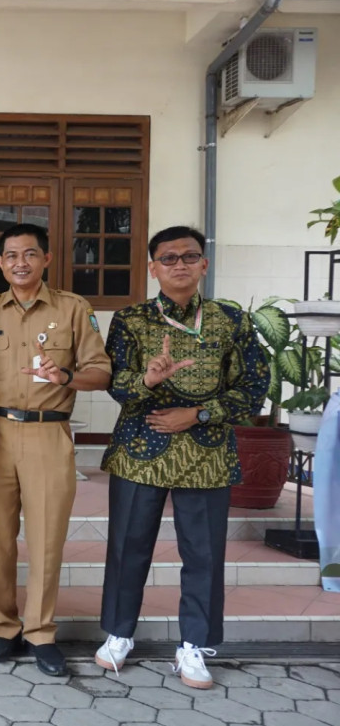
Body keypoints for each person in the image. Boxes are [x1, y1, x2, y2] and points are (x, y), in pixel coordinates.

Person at [97, 226, 269, 689]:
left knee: (204, 554)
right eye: (168, 258)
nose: (179, 265)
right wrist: (149, 381)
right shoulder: (131, 321)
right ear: (152, 268)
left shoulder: (231, 320)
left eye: (189, 257)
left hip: (206, 453)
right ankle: (119, 633)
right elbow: (116, 385)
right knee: (128, 547)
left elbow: (254, 388)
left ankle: (194, 645)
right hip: (140, 450)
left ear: (204, 265)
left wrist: (198, 413)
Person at [0, 223, 111, 676]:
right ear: (0, 263)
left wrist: (65, 377)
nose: (20, 263)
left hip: (49, 433)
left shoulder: (73, 309)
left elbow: (100, 372)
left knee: (47, 539)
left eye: (30, 254)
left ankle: (41, 632)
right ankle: (2, 625)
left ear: (46, 259)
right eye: (11, 255)